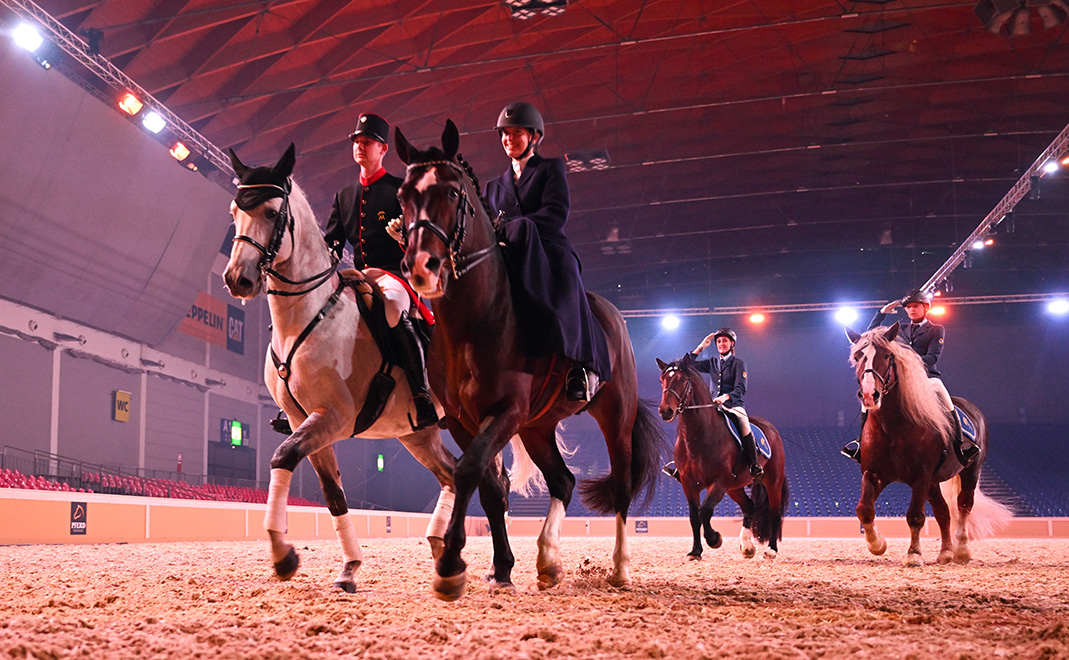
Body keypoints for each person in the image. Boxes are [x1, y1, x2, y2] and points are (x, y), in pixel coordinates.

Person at [485, 101, 610, 401]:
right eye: (505, 134)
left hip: (548, 247)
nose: (509, 139)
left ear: (534, 137)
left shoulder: (551, 169)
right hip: (507, 252)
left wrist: (515, 226)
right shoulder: (492, 187)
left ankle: (581, 365)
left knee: (567, 282)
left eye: (517, 133)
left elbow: (556, 213)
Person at [323, 112, 437, 430]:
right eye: (357, 142)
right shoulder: (344, 196)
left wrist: (405, 239)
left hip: (394, 275)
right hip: (357, 276)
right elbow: (332, 242)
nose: (360, 146)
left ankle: (421, 394)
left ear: (383, 149)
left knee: (392, 308)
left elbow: (422, 241)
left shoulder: (400, 190)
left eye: (368, 142)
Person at [841, 289, 978, 462]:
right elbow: (869, 339)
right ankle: (861, 444)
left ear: (925, 308)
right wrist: (881, 313)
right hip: (901, 380)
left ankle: (960, 445)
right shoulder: (900, 330)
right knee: (867, 401)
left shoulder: (936, 330)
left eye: (916, 306)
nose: (911, 310)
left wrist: (908, 363)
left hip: (927, 377)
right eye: (908, 307)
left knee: (945, 397)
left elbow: (932, 357)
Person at [663, 328, 763, 481]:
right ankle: (682, 466)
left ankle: (753, 464)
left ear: (732, 343)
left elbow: (741, 389)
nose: (721, 344)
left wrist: (725, 397)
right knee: (690, 424)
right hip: (712, 405)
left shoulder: (738, 363)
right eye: (719, 341)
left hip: (733, 405)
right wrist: (700, 347)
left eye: (725, 341)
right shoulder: (712, 363)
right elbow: (687, 365)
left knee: (744, 423)